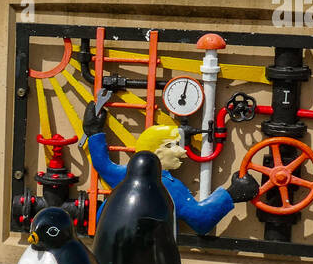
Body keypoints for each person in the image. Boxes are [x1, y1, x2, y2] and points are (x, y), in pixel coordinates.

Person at [80, 97, 256, 235]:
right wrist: (232, 194)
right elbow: (200, 220)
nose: (182, 152)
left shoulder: (124, 176)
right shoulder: (171, 190)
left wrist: (94, 132)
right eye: (172, 146)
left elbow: (102, 165)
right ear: (155, 153)